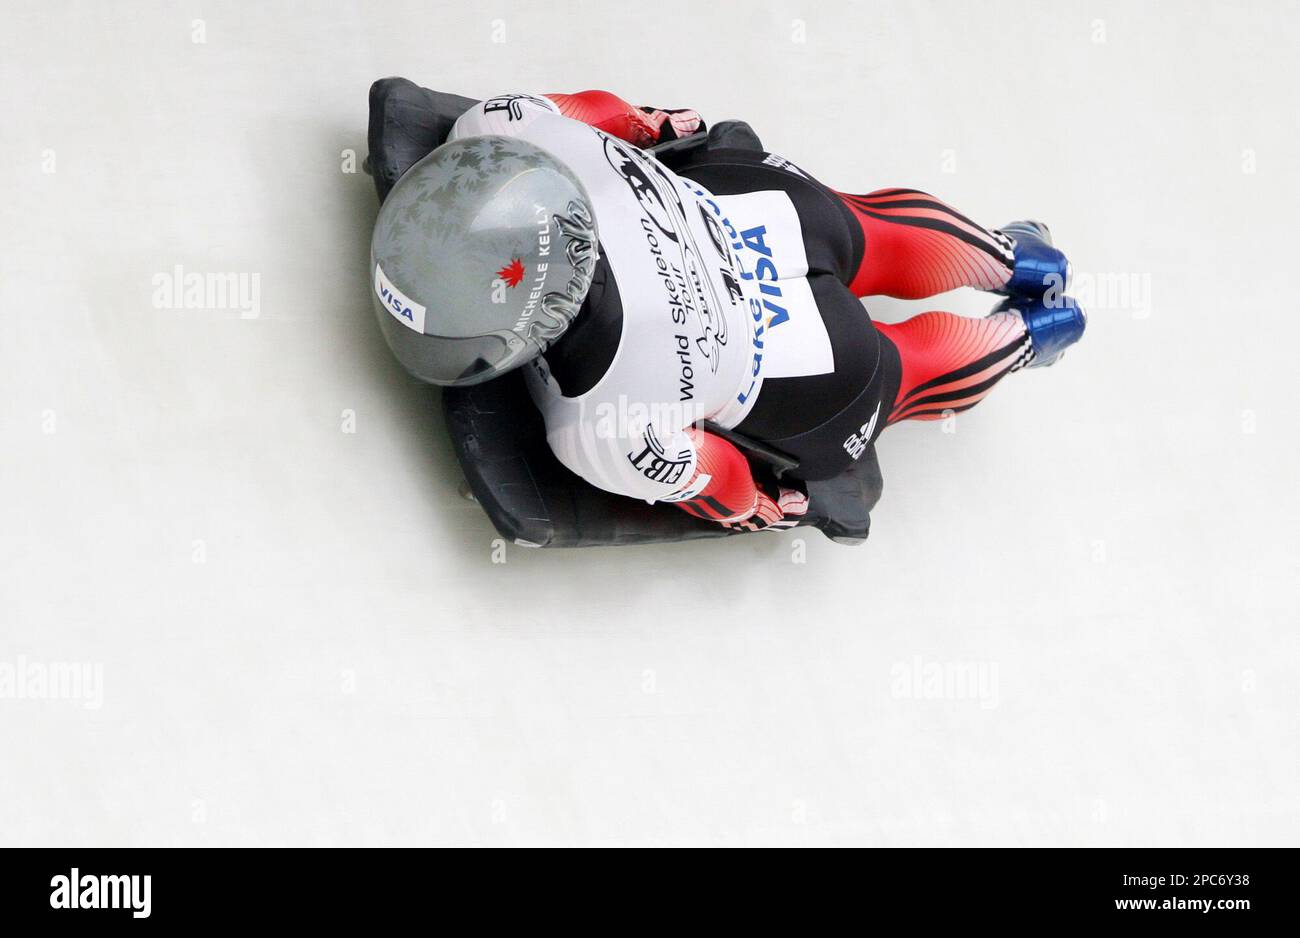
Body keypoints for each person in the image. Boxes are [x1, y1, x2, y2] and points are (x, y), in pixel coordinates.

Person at [369, 86, 1086, 532]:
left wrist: (759, 509)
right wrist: (655, 125)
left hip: (798, 362)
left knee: (900, 373)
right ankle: (1016, 257)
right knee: (874, 230)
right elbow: (621, 115)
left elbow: (724, 485)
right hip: (758, 208)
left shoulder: (597, 429)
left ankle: (1032, 335)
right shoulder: (503, 127)